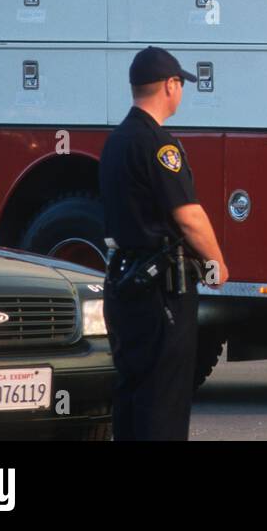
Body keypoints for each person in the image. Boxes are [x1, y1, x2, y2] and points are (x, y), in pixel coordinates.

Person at [100, 46, 229, 441]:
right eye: (180, 84)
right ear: (171, 85)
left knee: (133, 392)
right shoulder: (158, 144)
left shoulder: (118, 139)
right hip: (160, 290)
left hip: (125, 281)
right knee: (164, 398)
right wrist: (216, 264)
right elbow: (188, 216)